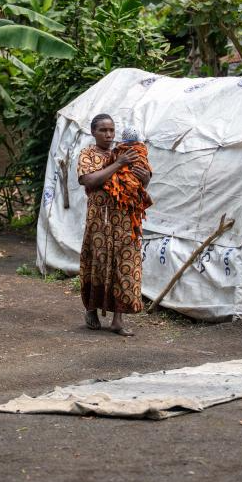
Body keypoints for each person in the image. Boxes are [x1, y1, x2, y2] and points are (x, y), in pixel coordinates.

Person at [76, 115, 152, 336]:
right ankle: (91, 309)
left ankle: (118, 320)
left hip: (126, 221)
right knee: (97, 263)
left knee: (125, 265)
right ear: (93, 132)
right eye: (103, 130)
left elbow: (142, 181)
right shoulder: (88, 155)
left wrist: (144, 176)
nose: (109, 135)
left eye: (111, 130)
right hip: (100, 220)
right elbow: (88, 180)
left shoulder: (126, 151)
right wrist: (118, 164)